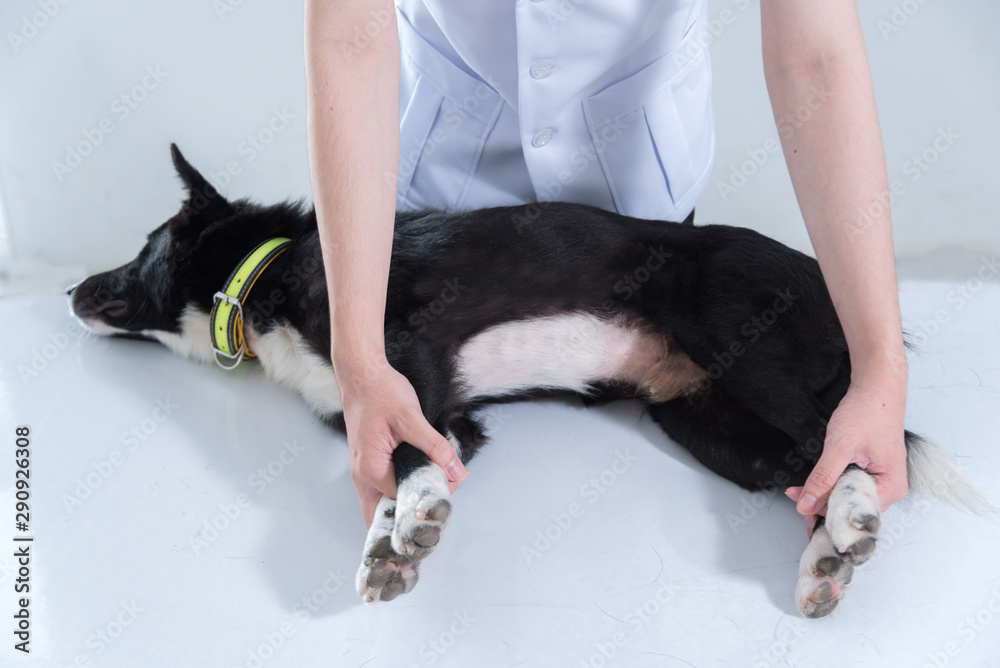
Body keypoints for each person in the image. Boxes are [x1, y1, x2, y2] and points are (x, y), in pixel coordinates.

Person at [303, 0, 909, 534]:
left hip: (640, 209)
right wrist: (358, 361)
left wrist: (881, 367)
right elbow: (350, 37)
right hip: (443, 212)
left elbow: (815, 58)